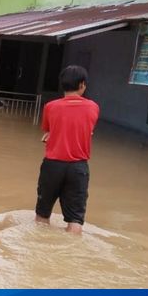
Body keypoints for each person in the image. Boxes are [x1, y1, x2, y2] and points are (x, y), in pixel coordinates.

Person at [35, 66, 100, 235]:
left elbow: (48, 131)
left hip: (52, 166)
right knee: (75, 220)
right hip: (78, 168)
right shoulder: (93, 107)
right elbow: (87, 129)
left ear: (62, 84)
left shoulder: (50, 107)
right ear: (82, 85)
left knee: (42, 215)